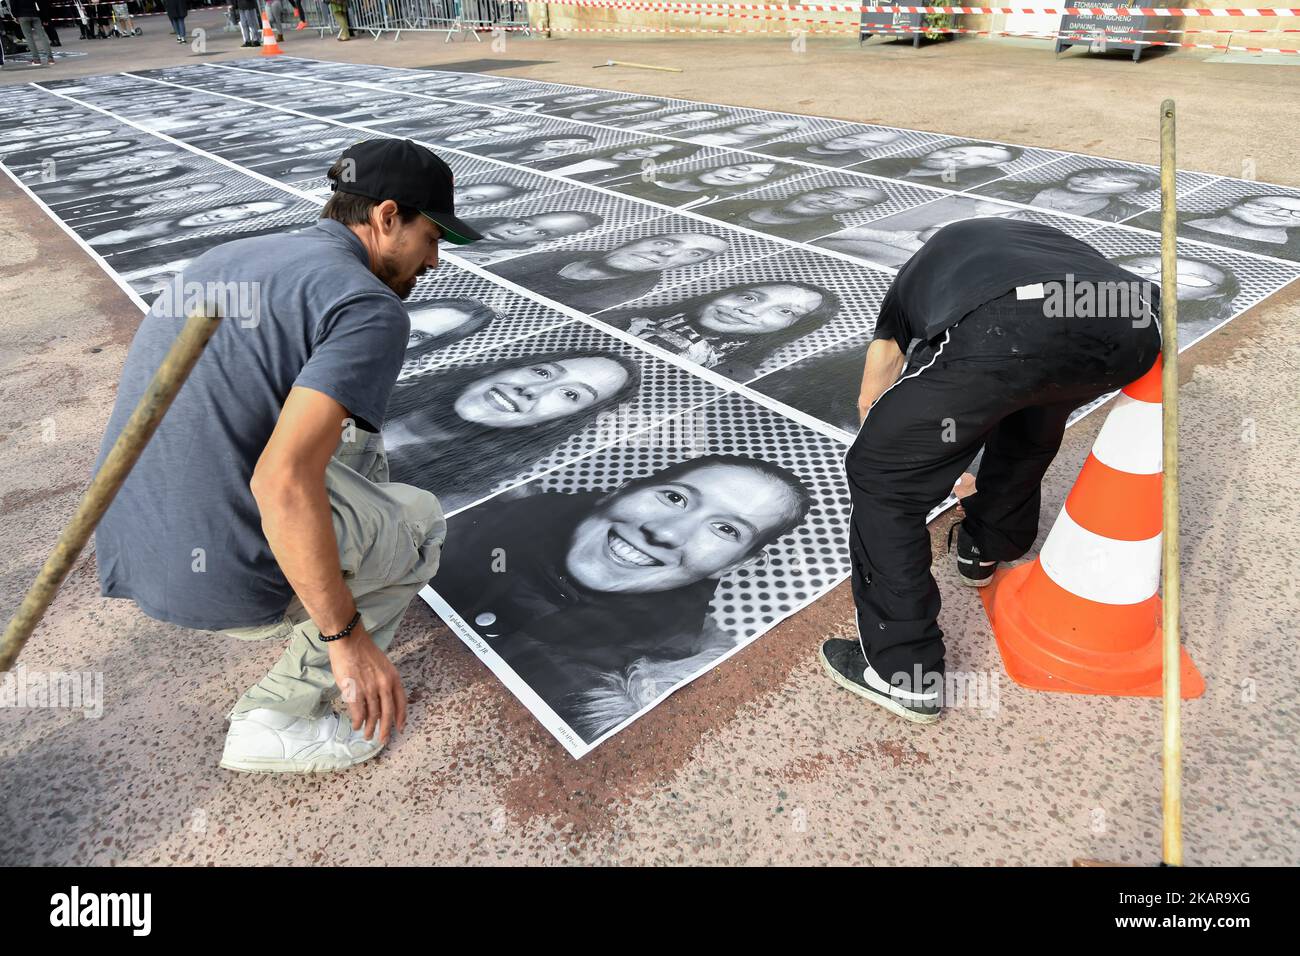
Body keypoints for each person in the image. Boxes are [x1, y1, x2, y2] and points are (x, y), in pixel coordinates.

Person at [92, 139, 483, 774]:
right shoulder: (368, 306)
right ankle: (277, 717)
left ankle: (321, 578)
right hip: (217, 581)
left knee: (357, 442)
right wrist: (344, 638)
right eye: (432, 238)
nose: (435, 262)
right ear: (387, 216)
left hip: (135, 546)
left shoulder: (234, 254)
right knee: (419, 522)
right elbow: (281, 482)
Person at [820, 218, 1161, 723]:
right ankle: (987, 547)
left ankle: (902, 671)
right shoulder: (1017, 240)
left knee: (882, 478)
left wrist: (910, 453)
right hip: (1133, 323)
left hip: (1016, 321)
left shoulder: (908, 288)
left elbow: (877, 385)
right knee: (1033, 408)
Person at [431, 454, 813, 740]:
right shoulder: (450, 515)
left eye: (726, 529)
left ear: (733, 566)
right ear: (620, 491)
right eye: (675, 498)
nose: (664, 532)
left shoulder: (623, 698)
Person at [383, 350, 641, 511]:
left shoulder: (453, 497)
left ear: (558, 422)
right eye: (543, 372)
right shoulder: (377, 382)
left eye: (570, 394)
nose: (532, 389)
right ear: (504, 368)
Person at [599, 281, 841, 379]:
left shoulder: (736, 375)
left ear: (791, 329)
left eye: (786, 312)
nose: (749, 311)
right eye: (749, 297)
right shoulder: (620, 317)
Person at [489, 232, 730, 313]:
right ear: (633, 241)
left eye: (694, 254)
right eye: (665, 243)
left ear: (680, 267)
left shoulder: (618, 302)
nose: (666, 254)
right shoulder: (552, 253)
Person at [978, 166, 1159, 222]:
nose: (1093, 183)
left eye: (1114, 181)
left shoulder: (1121, 213)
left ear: (1133, 190)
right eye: (1086, 177)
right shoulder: (1005, 187)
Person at [862, 143, 1022, 190]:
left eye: (981, 157)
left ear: (994, 165)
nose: (957, 157)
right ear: (937, 149)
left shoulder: (968, 187)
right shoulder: (879, 164)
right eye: (954, 151)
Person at [12, 0, 53, 67]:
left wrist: (15, 16)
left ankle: (36, 59)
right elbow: (40, 4)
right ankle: (50, 59)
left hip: (22, 15)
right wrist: (44, 17)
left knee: (29, 38)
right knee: (42, 36)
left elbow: (13, 5)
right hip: (35, 14)